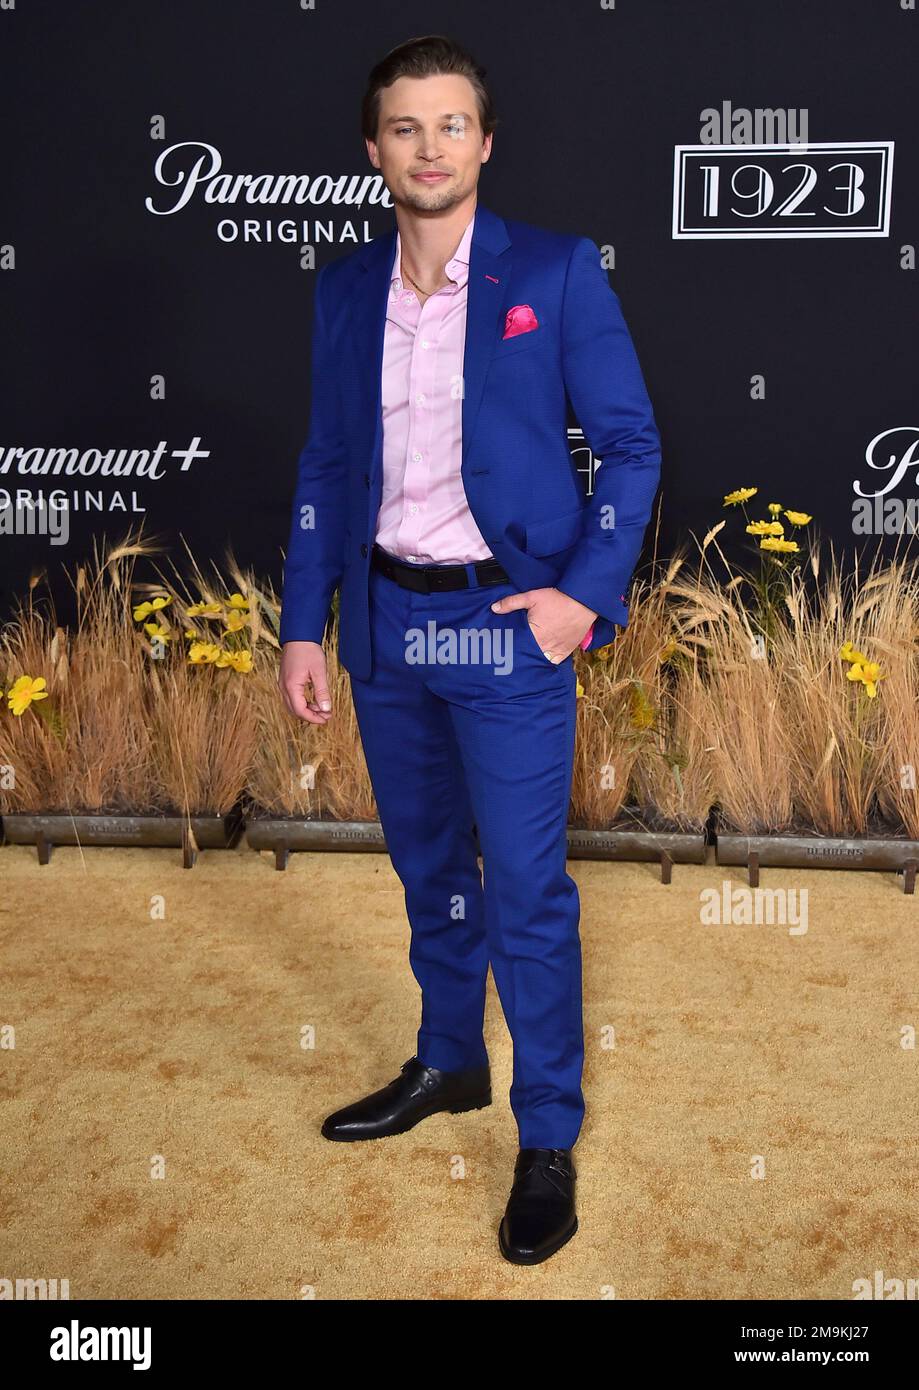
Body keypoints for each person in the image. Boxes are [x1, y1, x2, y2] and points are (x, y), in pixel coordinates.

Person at [278, 33, 661, 1265]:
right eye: (405, 127)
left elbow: (632, 447)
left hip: (507, 629)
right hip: (388, 625)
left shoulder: (552, 274)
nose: (429, 148)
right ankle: (449, 1062)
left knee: (530, 891)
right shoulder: (344, 292)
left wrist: (578, 603)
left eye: (451, 126)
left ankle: (546, 1133)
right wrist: (304, 620)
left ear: (484, 144)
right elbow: (327, 467)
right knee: (430, 868)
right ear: (373, 149)